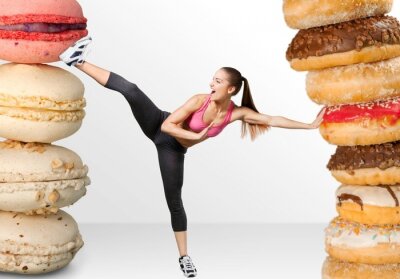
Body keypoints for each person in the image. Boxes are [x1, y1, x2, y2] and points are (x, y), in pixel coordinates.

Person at [60, 37, 325, 278]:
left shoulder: (237, 113)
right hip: (159, 124)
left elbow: (272, 119)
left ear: (231, 89)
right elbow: (166, 127)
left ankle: (184, 258)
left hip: (172, 151)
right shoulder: (200, 100)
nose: (211, 83)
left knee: (174, 200)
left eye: (218, 81)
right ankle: (77, 60)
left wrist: (310, 125)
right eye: (213, 79)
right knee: (131, 90)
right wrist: (198, 138)